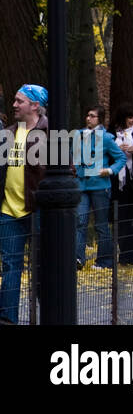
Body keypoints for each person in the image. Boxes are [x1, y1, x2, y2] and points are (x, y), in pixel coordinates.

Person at [0, 85, 48, 324]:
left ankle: (50, 315)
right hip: (8, 211)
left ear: (35, 105)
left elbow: (68, 171)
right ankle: (7, 319)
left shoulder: (50, 133)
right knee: (10, 266)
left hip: (37, 211)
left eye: (20, 101)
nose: (14, 105)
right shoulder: (8, 133)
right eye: (14, 100)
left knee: (41, 267)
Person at [75, 106, 126, 270]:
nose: (88, 118)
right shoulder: (79, 135)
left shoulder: (106, 138)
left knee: (101, 224)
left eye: (92, 116)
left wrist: (110, 170)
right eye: (87, 115)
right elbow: (73, 157)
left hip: (100, 185)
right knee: (80, 222)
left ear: (100, 119)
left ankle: (105, 260)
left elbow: (120, 158)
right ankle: (77, 258)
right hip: (82, 185)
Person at [108, 106, 133, 264]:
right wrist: (116, 150)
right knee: (122, 219)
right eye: (130, 117)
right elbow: (105, 153)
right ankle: (125, 254)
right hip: (118, 184)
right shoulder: (111, 134)